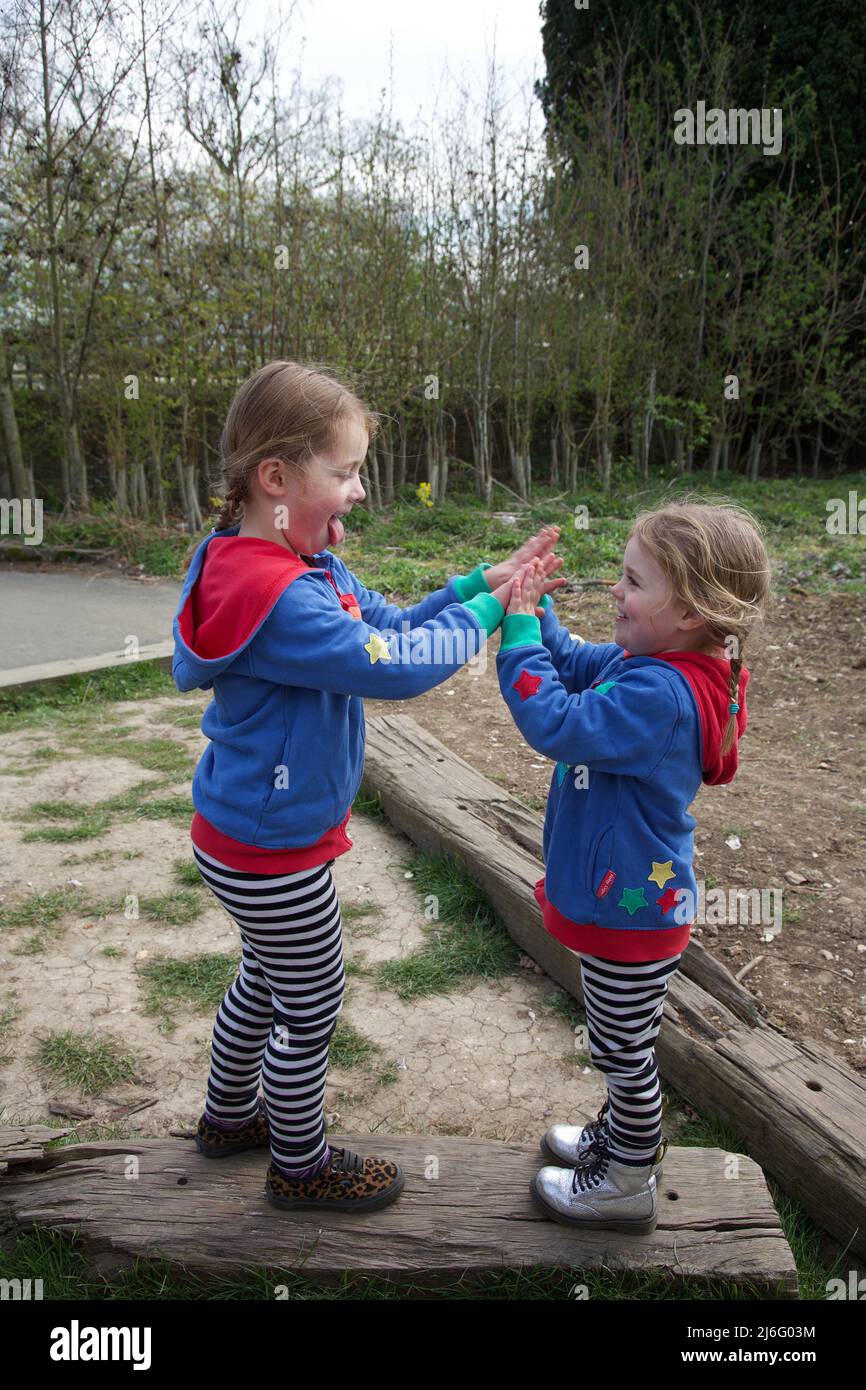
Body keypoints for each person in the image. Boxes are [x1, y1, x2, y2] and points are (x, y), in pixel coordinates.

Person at [170, 358, 565, 1213]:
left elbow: (384, 621)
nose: (358, 491)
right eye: (344, 473)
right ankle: (300, 1164)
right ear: (277, 478)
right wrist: (494, 619)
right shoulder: (280, 596)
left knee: (266, 982)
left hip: (243, 835)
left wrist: (479, 586)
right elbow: (392, 667)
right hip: (271, 850)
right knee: (310, 1001)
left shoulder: (286, 563)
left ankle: (230, 1117)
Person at [496, 500, 772, 1233]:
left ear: (687, 609)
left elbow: (556, 721)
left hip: (632, 915)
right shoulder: (667, 665)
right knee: (621, 1040)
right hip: (635, 907)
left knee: (624, 1053)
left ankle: (624, 1182)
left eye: (632, 580)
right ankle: (619, 1142)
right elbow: (587, 663)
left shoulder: (660, 695)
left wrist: (518, 639)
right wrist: (541, 618)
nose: (616, 591)